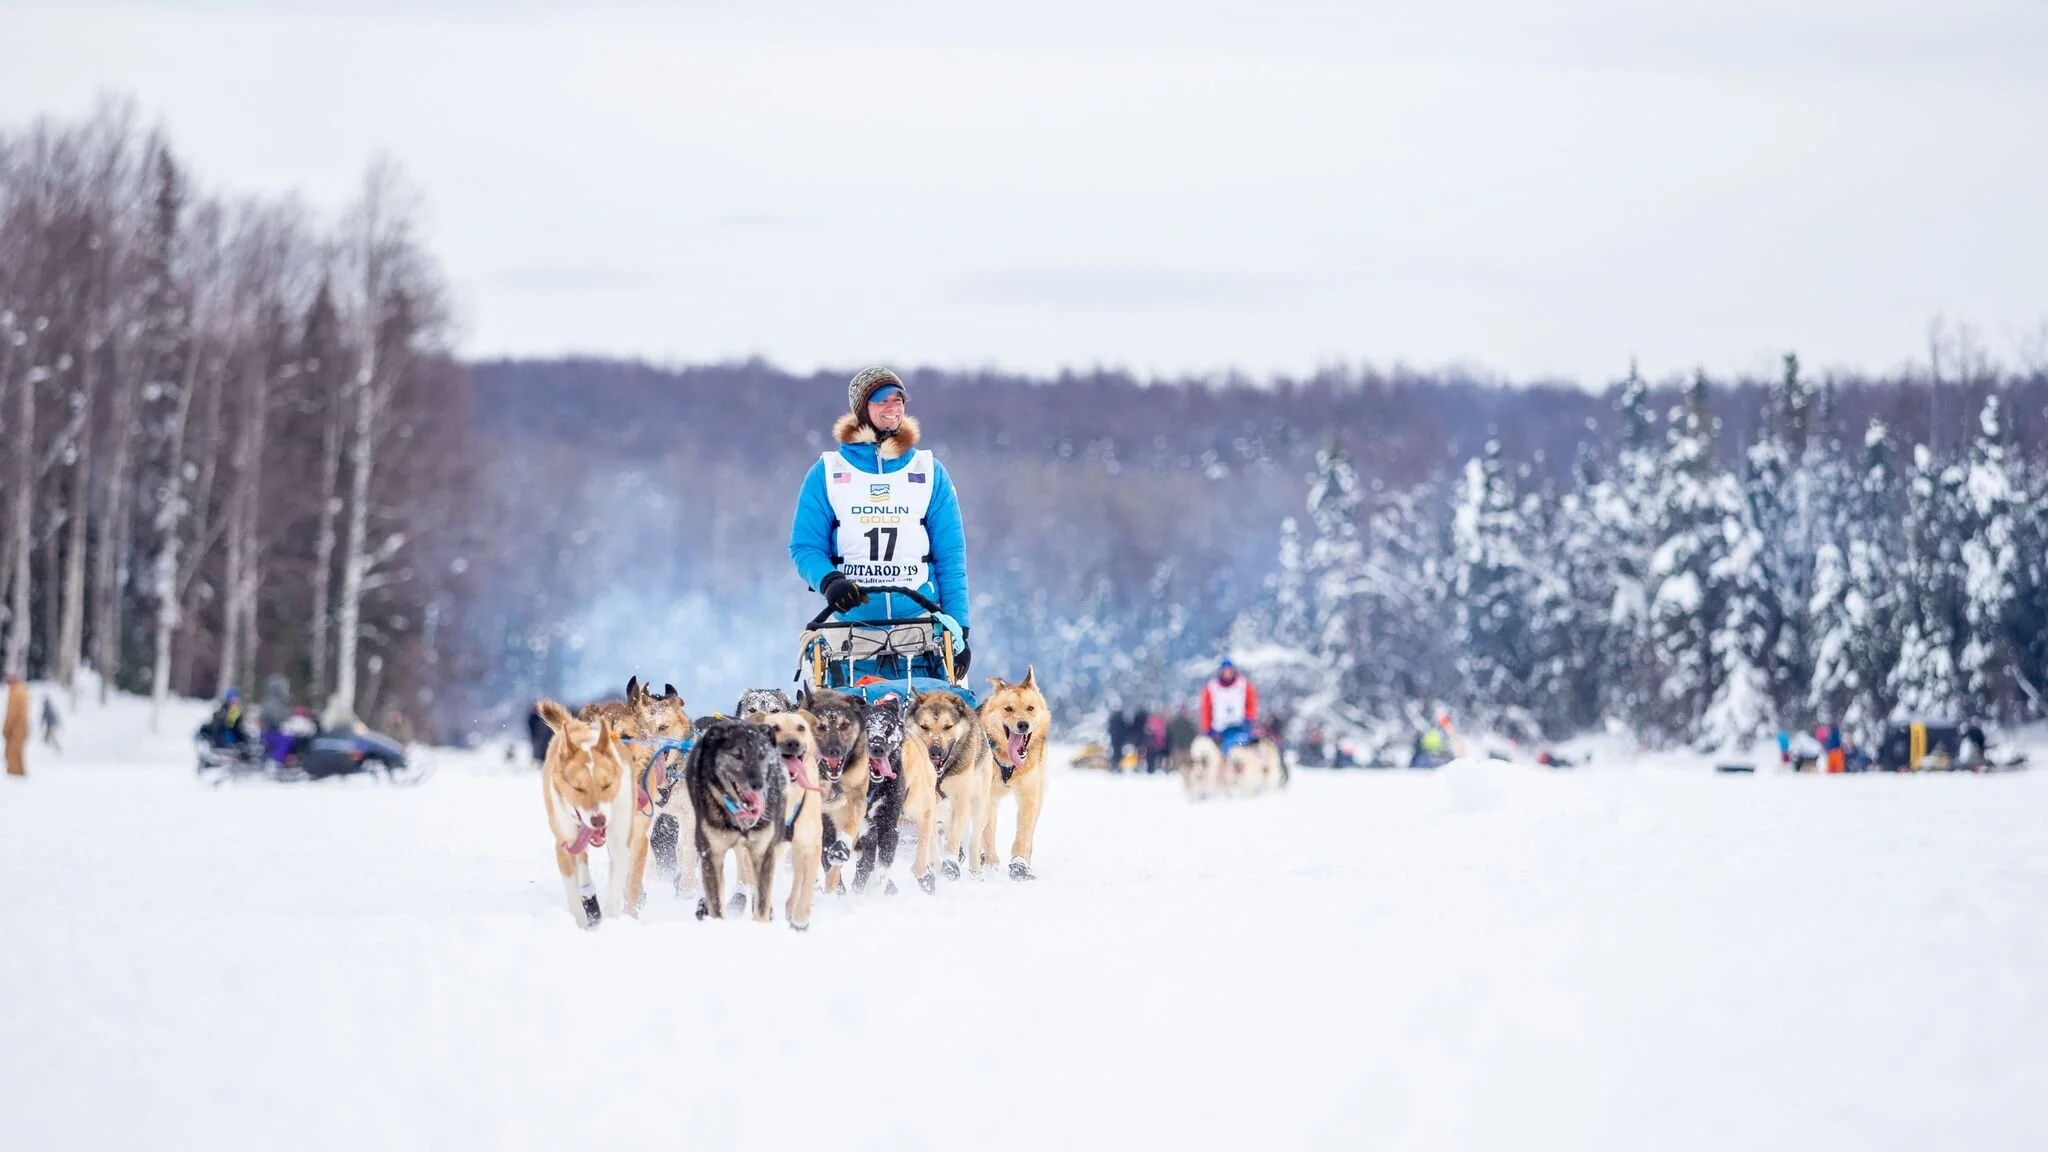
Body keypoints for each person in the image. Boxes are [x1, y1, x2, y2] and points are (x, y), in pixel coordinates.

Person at [789, 367, 971, 687]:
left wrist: (960, 626)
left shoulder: (928, 470)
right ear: (861, 409)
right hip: (850, 633)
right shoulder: (828, 472)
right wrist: (830, 581)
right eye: (881, 400)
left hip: (922, 631)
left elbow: (951, 556)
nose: (893, 407)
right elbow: (805, 547)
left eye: (898, 399)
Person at [1199, 658, 1258, 754]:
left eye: (1229, 671)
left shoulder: (1243, 684)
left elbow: (1251, 702)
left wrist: (1249, 717)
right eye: (1225, 671)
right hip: (1220, 728)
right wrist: (1207, 728)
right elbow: (1206, 710)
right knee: (1224, 749)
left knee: (1243, 745)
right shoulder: (1211, 688)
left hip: (1240, 724)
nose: (1227, 674)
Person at [4, 676, 27, 777]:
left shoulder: (15, 694)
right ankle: (20, 770)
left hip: (16, 727)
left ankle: (14, 772)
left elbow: (11, 714)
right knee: (18, 750)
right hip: (23, 726)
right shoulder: (22, 691)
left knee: (12, 750)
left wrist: (6, 728)